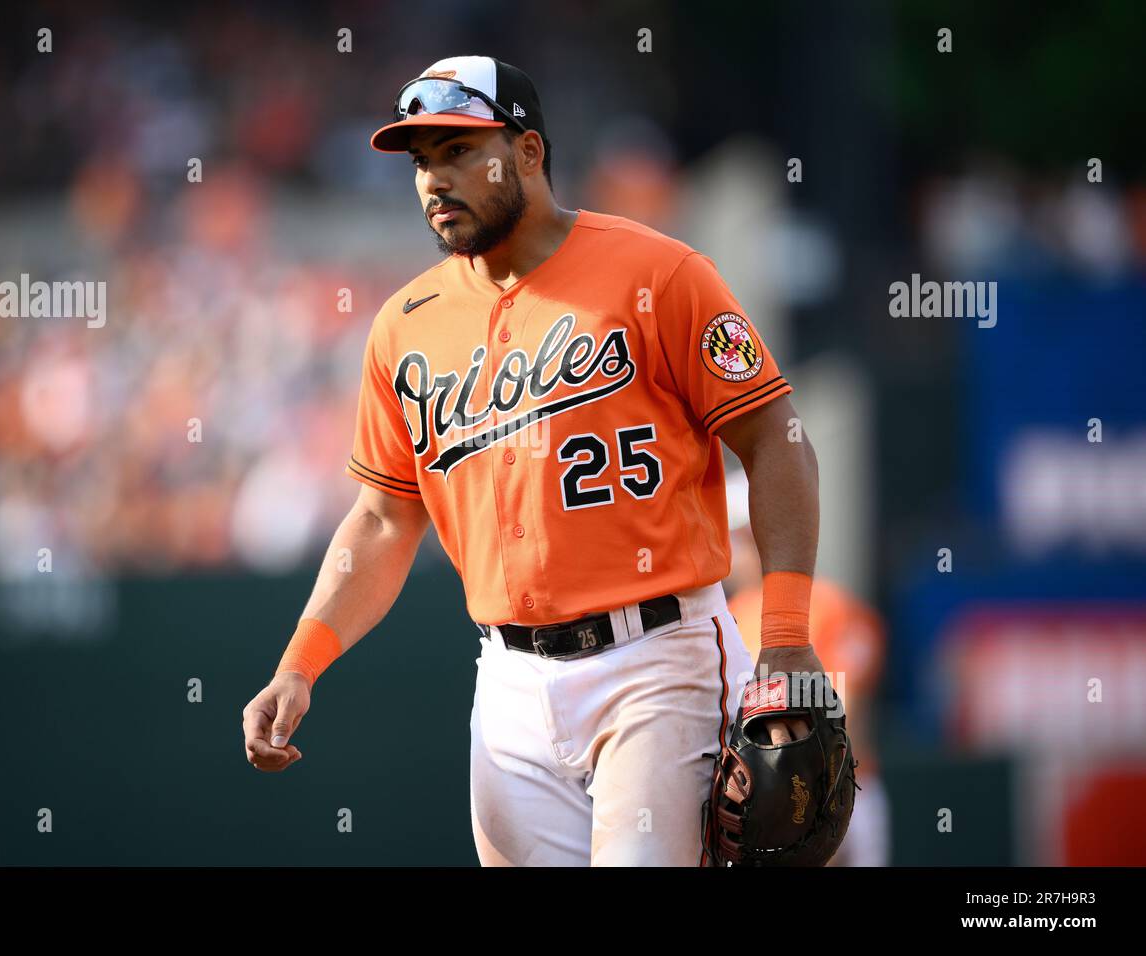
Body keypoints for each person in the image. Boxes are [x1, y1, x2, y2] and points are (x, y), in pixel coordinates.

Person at [242, 55, 825, 866]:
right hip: (508, 682)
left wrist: (788, 637)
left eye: (457, 151)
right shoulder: (404, 325)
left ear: (527, 152)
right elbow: (382, 519)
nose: (433, 180)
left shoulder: (659, 274)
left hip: (655, 663)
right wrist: (300, 665)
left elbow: (778, 441)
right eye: (421, 160)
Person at [722, 470, 891, 866]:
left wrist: (821, 797)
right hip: (761, 805)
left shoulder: (828, 605)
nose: (740, 547)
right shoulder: (727, 616)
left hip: (837, 791)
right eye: (736, 537)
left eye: (744, 535)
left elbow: (844, 708)